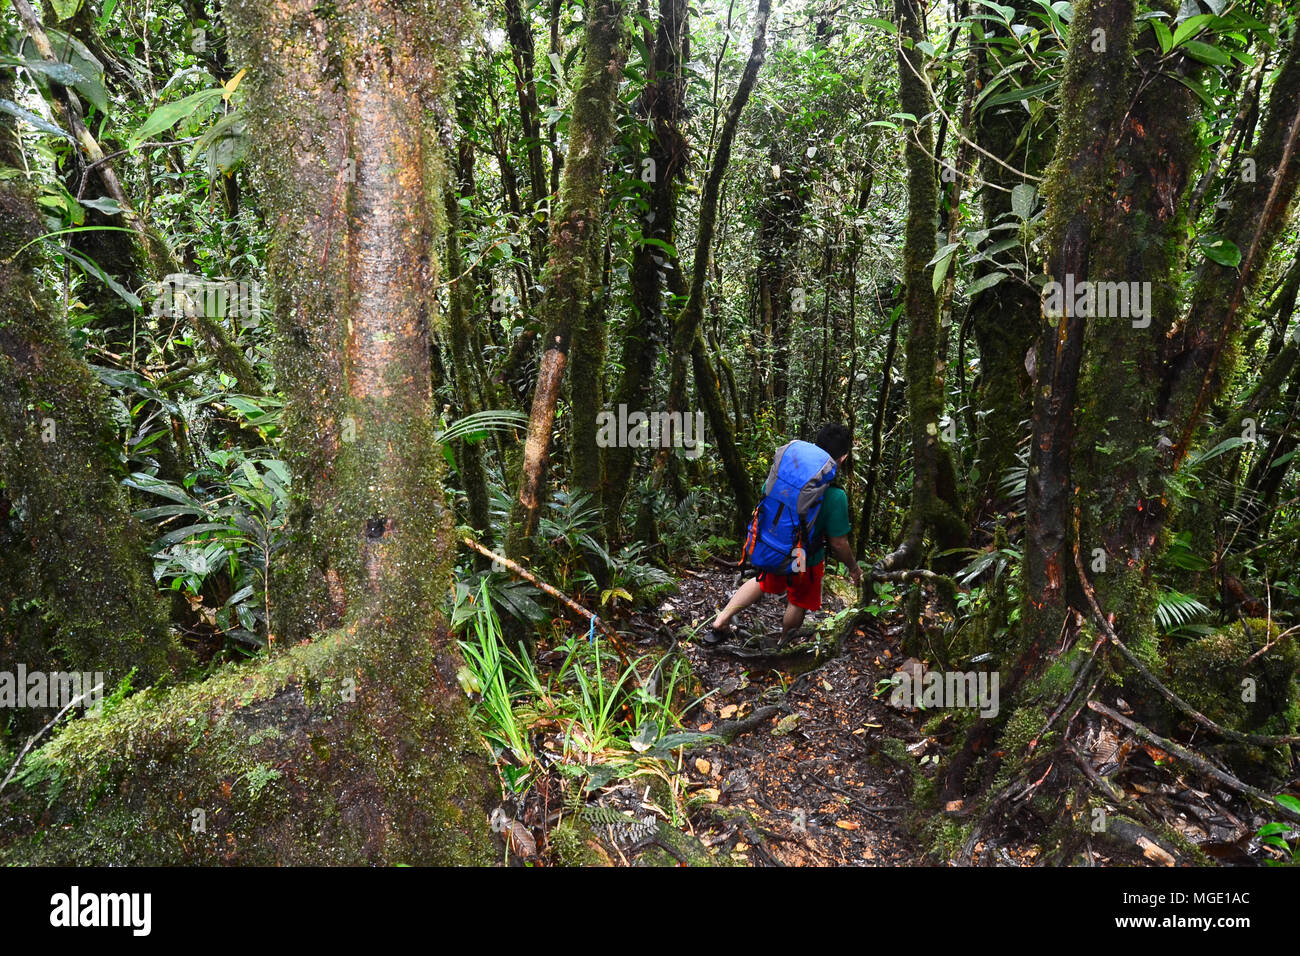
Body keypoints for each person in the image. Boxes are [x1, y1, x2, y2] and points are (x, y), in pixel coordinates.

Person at [707, 423, 864, 642]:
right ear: (843, 458)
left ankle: (721, 620)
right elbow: (839, 543)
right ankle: (782, 644)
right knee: (798, 600)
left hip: (775, 542)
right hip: (801, 557)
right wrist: (854, 569)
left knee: (762, 581)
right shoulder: (835, 495)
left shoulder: (788, 473)